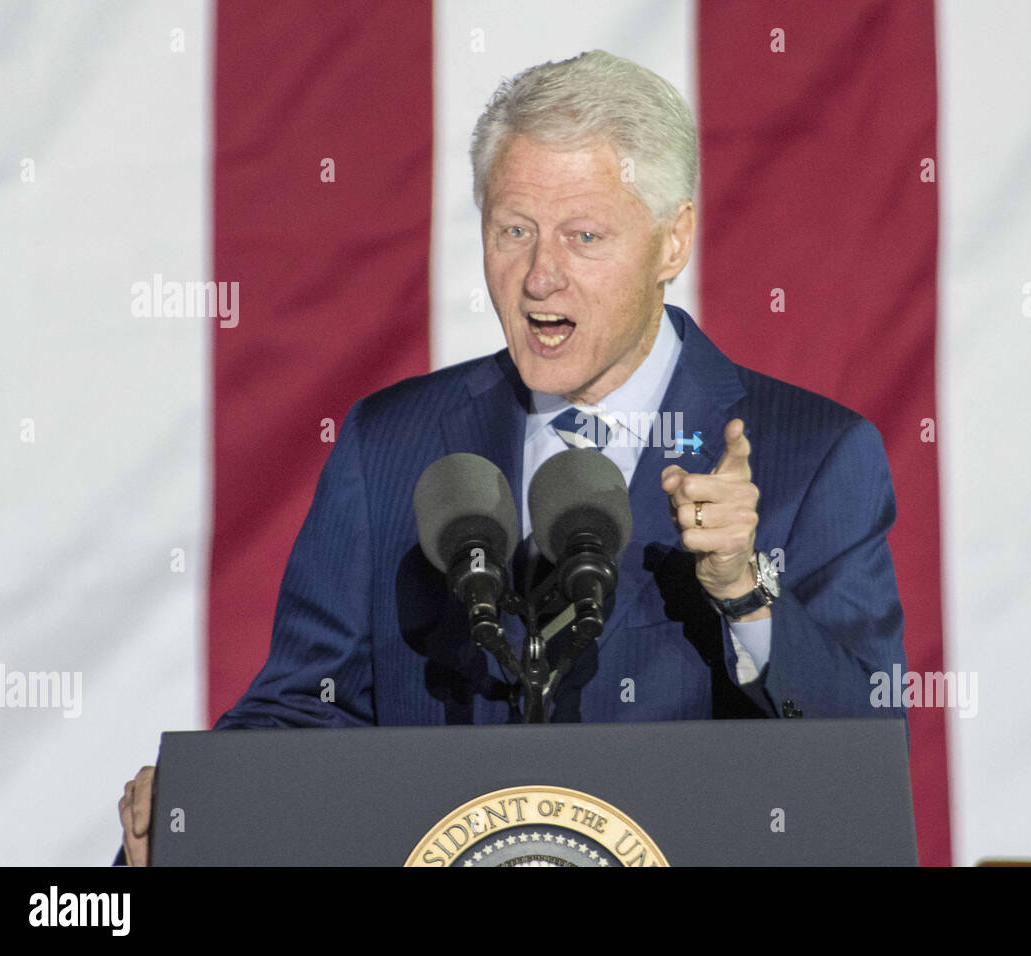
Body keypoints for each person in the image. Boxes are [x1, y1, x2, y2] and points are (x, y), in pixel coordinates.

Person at [117, 49, 906, 865]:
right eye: (514, 231)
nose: (540, 277)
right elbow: (306, 709)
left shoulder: (813, 456)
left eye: (584, 235)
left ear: (673, 242)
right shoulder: (389, 443)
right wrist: (196, 803)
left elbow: (863, 761)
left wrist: (744, 592)